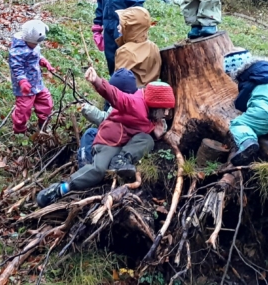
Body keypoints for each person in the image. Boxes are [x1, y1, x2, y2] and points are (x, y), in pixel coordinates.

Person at [38, 68, 176, 207]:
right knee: (98, 170)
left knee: (147, 140)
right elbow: (115, 95)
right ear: (155, 106)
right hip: (110, 142)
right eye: (165, 109)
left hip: (125, 141)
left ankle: (121, 160)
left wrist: (155, 133)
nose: (167, 113)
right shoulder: (135, 103)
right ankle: (61, 188)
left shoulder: (152, 114)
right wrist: (97, 81)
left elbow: (143, 130)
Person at [8, 19, 54, 134]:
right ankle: (19, 130)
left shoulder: (33, 45)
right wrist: (22, 81)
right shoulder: (17, 51)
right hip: (24, 87)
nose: (36, 46)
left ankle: (43, 125)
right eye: (35, 43)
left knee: (46, 102)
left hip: (37, 82)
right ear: (27, 39)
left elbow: (37, 54)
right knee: (23, 110)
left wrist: (43, 60)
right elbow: (16, 67)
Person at [114, 6, 162, 86]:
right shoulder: (153, 46)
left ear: (131, 28)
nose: (118, 27)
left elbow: (118, 82)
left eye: (121, 24)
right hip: (152, 92)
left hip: (131, 95)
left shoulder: (126, 51)